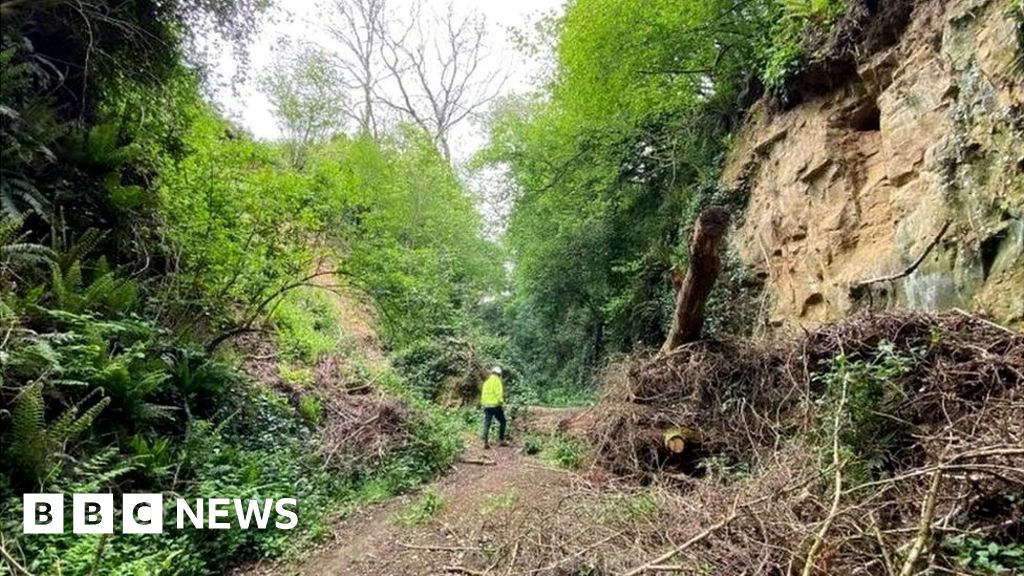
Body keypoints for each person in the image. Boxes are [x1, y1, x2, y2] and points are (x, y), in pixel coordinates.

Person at [480, 366, 507, 449]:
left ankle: (485, 442)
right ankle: (501, 440)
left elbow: (483, 394)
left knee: (487, 423)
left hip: (486, 406)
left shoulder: (486, 382)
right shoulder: (497, 381)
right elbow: (498, 393)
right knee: (503, 421)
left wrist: (483, 404)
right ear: (499, 374)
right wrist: (502, 403)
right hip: (495, 405)